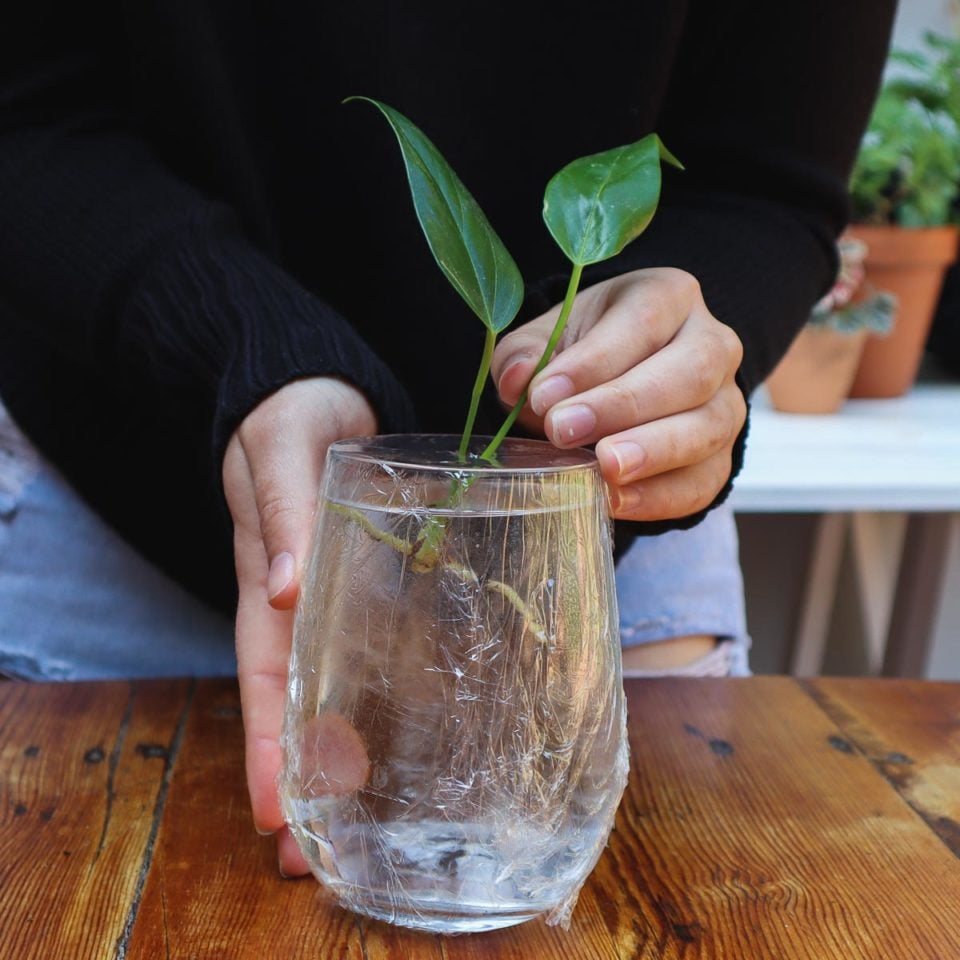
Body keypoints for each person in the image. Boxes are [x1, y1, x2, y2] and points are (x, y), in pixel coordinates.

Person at [0, 2, 896, 874]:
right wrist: (244, 343)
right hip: (123, 528)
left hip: (585, 552)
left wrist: (658, 368)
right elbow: (26, 113)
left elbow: (773, 183)